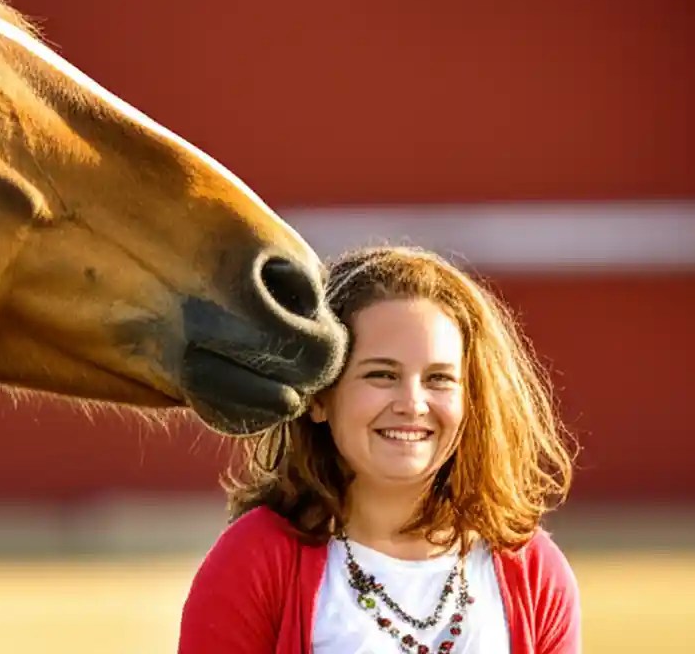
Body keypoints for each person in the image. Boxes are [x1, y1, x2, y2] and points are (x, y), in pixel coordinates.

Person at [178, 245, 580, 654]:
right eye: (382, 375)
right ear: (319, 397)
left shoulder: (533, 572)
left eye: (439, 378)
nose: (412, 403)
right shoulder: (253, 560)